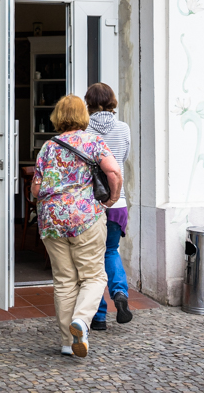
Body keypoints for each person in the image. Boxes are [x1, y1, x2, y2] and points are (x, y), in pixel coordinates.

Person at [32, 94, 122, 358]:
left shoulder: (48, 146)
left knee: (63, 280)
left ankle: (66, 341)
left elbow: (37, 190)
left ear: (57, 116)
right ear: (83, 116)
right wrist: (112, 198)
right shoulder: (94, 141)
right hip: (85, 217)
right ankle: (82, 321)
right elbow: (113, 172)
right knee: (94, 275)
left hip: (51, 219)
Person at [84, 82, 133, 331]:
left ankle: (99, 316)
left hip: (92, 204)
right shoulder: (123, 128)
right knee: (111, 251)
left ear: (88, 103)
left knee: (93, 261)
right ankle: (120, 294)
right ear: (112, 101)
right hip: (117, 201)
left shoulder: (84, 130)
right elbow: (121, 160)